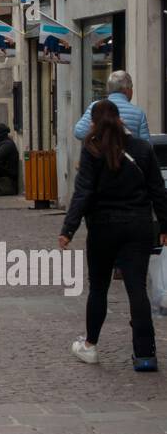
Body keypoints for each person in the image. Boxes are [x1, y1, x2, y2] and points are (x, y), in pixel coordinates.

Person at [60, 99, 167, 372]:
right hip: (138, 227)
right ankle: (145, 354)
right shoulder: (143, 149)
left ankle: (91, 345)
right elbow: (158, 191)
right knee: (136, 288)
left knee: (98, 288)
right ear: (121, 120)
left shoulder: (93, 150)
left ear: (94, 123)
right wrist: (165, 226)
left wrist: (68, 229)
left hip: (103, 228)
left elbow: (83, 192)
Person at [74, 71, 151, 142]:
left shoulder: (95, 106)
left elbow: (79, 133)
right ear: (126, 89)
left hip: (100, 155)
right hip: (126, 156)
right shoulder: (139, 113)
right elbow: (147, 144)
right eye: (131, 88)